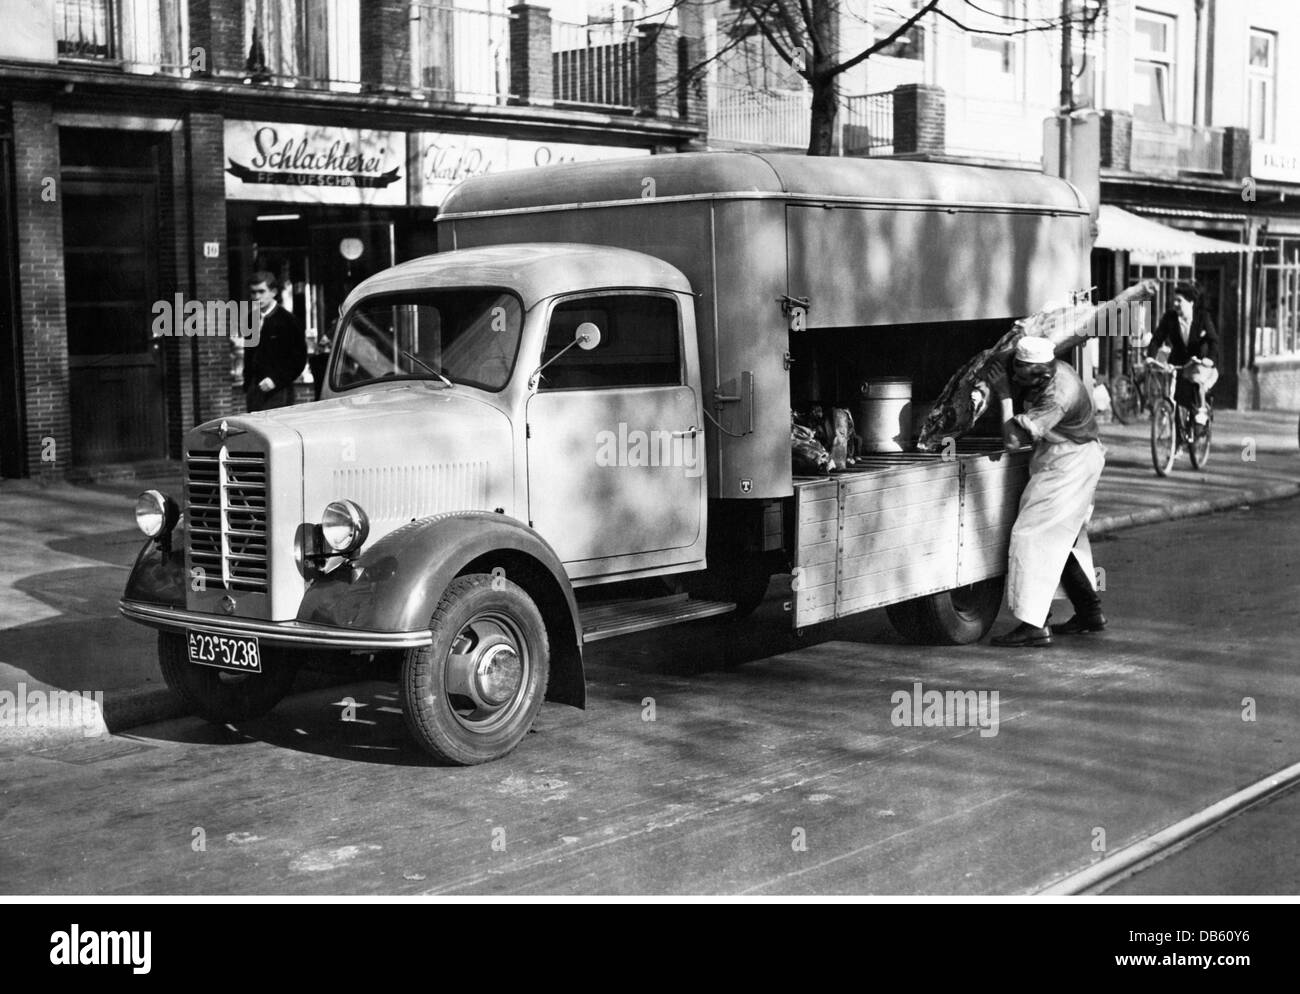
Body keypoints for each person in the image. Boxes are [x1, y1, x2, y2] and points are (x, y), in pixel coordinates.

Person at [986, 336, 1107, 647]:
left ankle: (1034, 625)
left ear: (1039, 374)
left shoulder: (1057, 396)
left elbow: (1013, 441)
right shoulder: (1051, 368)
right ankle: (1089, 613)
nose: (1014, 379)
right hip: (1069, 456)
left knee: (1031, 536)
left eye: (1020, 376)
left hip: (1070, 463)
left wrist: (1003, 396)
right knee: (1062, 540)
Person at [1146, 282, 1218, 424]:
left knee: (1197, 387)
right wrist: (1150, 356)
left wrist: (1210, 359)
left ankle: (1202, 411)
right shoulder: (1170, 317)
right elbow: (1157, 339)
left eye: (1180, 301)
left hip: (1198, 361)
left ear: (1191, 302)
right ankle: (1178, 441)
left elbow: (1213, 340)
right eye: (1175, 300)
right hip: (1178, 362)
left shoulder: (1202, 317)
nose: (1176, 304)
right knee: (1177, 398)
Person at [244, 271, 306, 412]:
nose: (257, 297)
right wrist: (247, 384)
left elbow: (299, 360)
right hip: (255, 392)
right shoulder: (251, 319)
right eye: (253, 293)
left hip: (279, 391)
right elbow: (249, 354)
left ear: (273, 292)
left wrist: (275, 380)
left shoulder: (288, 321)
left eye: (261, 292)